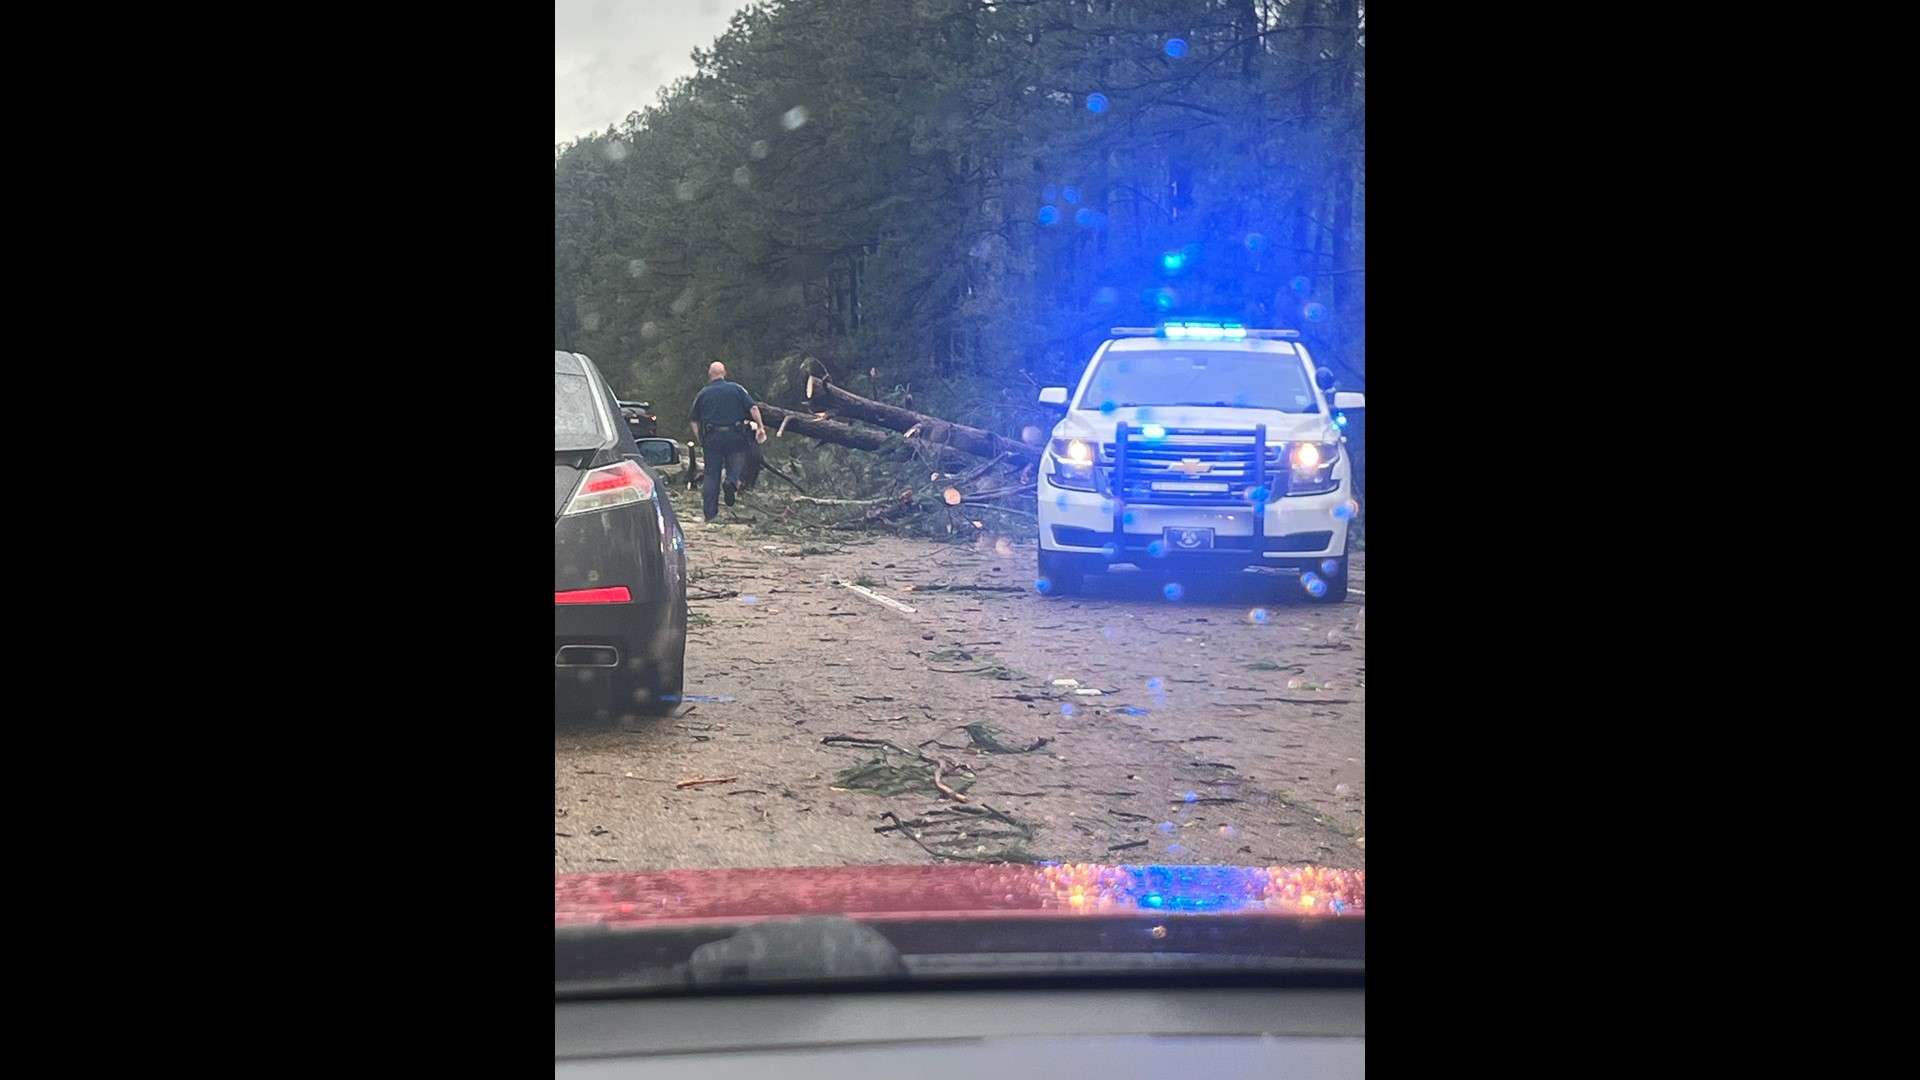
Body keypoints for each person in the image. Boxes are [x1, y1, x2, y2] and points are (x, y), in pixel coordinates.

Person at [687, 361, 767, 523]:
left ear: (710, 375)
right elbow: (753, 408)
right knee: (736, 465)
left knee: (711, 475)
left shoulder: (703, 394)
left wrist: (701, 439)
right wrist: (760, 427)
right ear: (724, 373)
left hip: (712, 438)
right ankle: (731, 482)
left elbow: (694, 420)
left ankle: (710, 515)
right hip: (735, 436)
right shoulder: (737, 389)